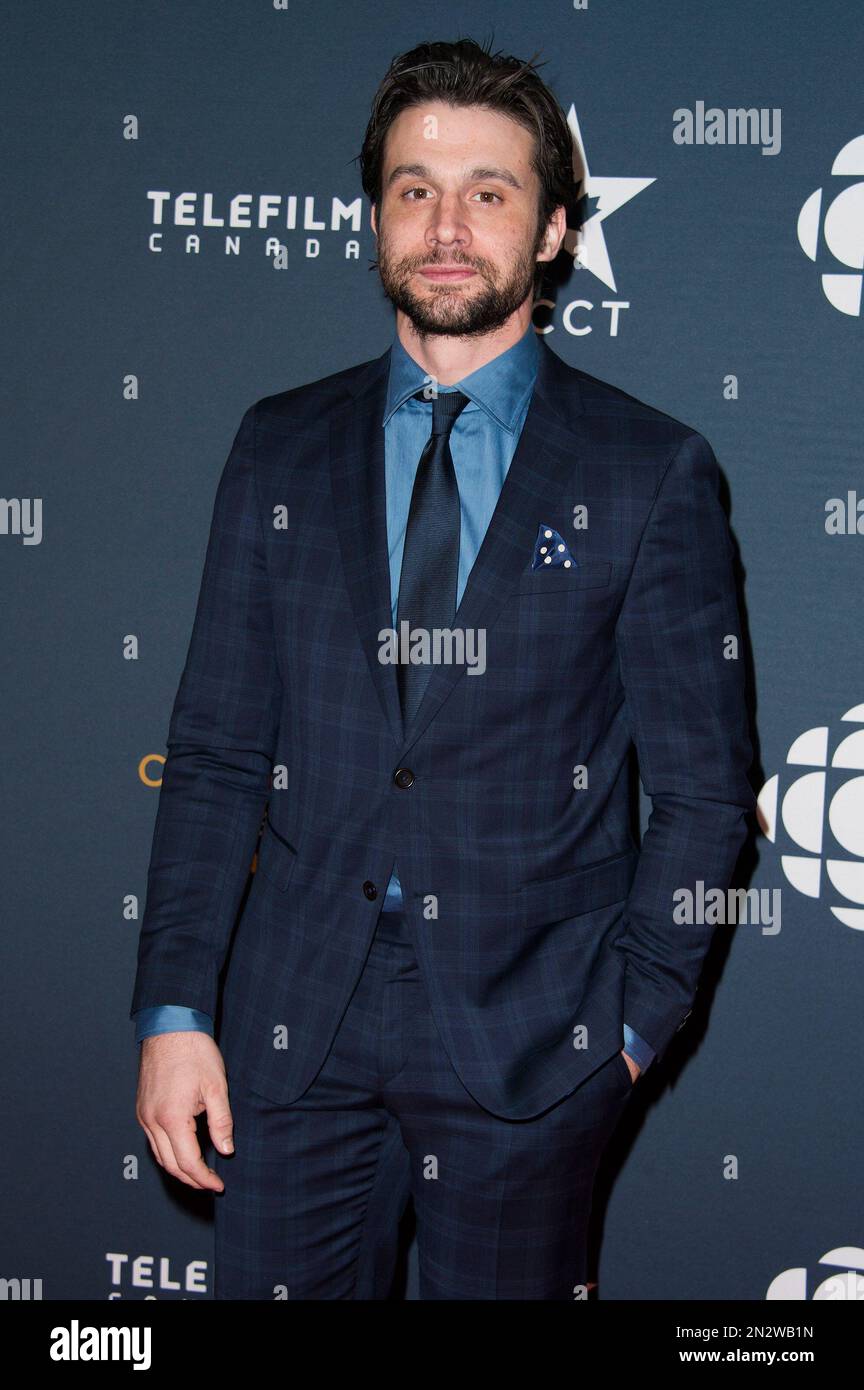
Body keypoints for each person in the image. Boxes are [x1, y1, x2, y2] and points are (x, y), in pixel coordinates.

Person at [131, 37, 755, 1300]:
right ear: (376, 221)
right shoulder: (278, 447)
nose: (448, 223)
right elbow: (213, 754)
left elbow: (704, 795)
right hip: (288, 1038)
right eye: (415, 187)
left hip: (535, 1046)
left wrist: (627, 1038)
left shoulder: (650, 472)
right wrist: (175, 1010)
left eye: (489, 189)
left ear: (554, 227)